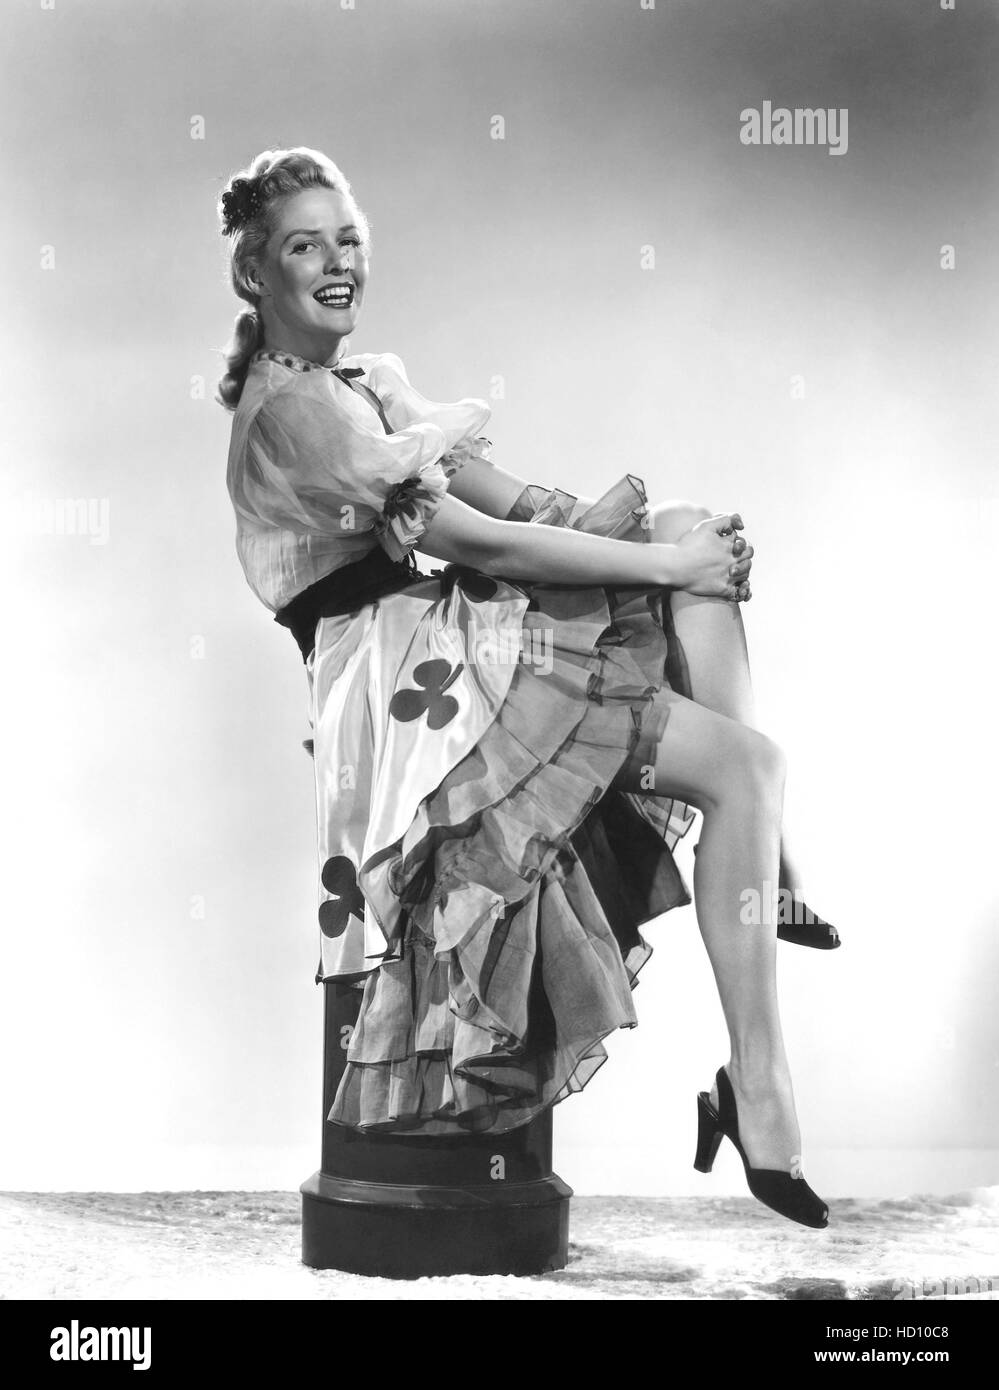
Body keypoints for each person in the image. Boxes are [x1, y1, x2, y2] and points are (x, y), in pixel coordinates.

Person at [218, 146, 831, 1228]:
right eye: (306, 246)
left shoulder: (366, 384)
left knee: (687, 527)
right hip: (392, 669)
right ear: (255, 273)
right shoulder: (291, 418)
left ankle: (762, 866)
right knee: (744, 753)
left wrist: (669, 545)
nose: (337, 262)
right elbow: (479, 540)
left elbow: (515, 506)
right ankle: (761, 1072)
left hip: (444, 623)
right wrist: (662, 569)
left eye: (348, 239)